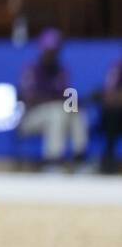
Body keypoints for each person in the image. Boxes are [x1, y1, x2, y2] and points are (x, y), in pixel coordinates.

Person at [16, 28, 88, 170]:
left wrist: (73, 105)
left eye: (55, 51)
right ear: (42, 50)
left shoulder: (61, 71)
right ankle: (53, 161)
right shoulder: (32, 71)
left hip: (58, 113)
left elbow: (69, 96)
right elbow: (30, 99)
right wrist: (56, 99)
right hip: (29, 119)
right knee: (57, 111)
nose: (52, 54)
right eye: (48, 50)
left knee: (76, 113)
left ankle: (80, 159)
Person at [98, 55, 122, 174]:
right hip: (117, 116)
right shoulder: (117, 68)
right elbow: (109, 96)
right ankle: (109, 161)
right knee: (112, 114)